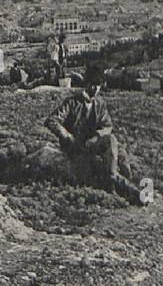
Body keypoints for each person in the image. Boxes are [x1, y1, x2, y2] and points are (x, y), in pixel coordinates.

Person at [44, 65, 148, 205]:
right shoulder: (72, 102)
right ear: (86, 84)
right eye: (92, 85)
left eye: (98, 85)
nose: (96, 89)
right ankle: (131, 191)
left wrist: (97, 137)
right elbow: (52, 121)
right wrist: (68, 136)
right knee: (106, 160)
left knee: (115, 145)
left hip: (92, 144)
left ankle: (119, 181)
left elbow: (107, 126)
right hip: (75, 147)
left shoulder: (100, 103)